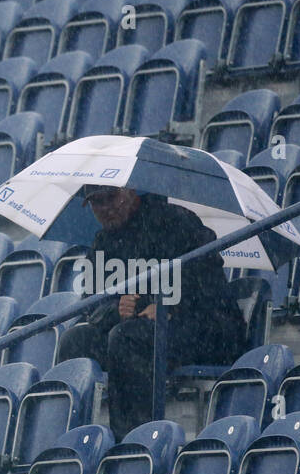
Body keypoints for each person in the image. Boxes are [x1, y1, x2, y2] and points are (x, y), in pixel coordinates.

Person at [56, 185, 247, 440]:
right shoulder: (103, 242)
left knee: (127, 338)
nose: (106, 208)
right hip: (140, 332)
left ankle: (135, 441)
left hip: (204, 329)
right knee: (76, 340)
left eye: (111, 197)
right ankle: (75, 441)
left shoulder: (178, 221)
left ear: (131, 192)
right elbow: (91, 304)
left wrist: (171, 307)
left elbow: (211, 283)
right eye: (96, 202)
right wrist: (116, 310)